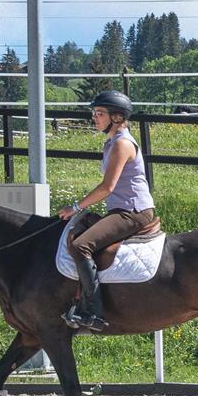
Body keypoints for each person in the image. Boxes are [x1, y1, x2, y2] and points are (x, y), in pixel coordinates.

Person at [58, 90, 160, 332]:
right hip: (121, 209)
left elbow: (107, 187)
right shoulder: (112, 142)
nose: (95, 117)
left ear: (116, 117)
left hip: (132, 212)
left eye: (100, 113)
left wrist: (75, 207)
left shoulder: (122, 144)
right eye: (94, 113)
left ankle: (93, 311)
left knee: (81, 245)